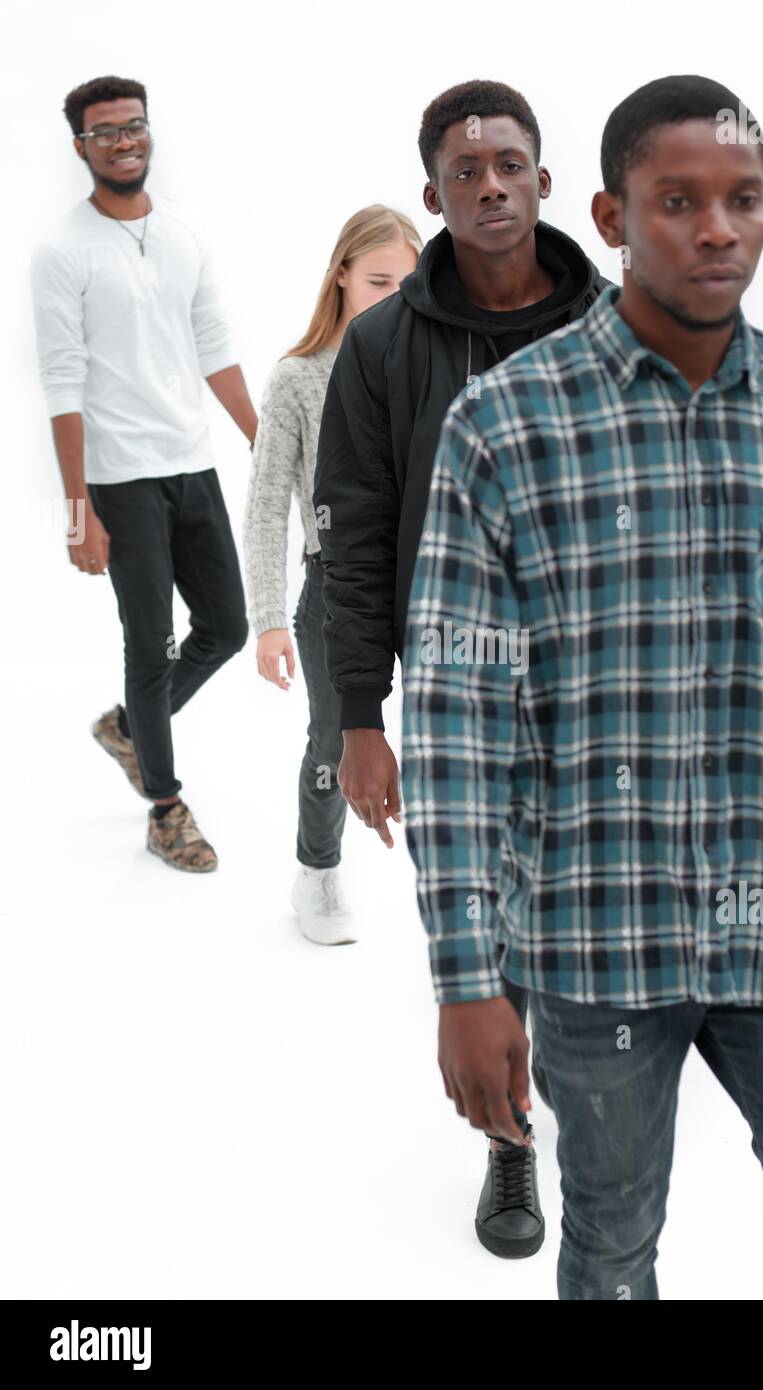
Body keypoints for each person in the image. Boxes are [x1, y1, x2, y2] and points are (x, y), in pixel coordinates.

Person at [400, 74, 763, 1299]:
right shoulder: (502, 423)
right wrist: (466, 974)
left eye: (742, 198)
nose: (717, 228)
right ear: (615, 217)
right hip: (591, 928)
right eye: (677, 200)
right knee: (612, 1246)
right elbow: (456, 716)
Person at [313, 79, 612, 1258]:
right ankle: (511, 1138)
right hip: (455, 694)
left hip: (608, 684)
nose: (489, 185)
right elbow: (351, 527)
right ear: (432, 191)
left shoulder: (619, 320)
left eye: (509, 164)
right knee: (484, 929)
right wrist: (356, 718)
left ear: (541, 179)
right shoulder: (384, 345)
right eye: (463, 169)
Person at [30, 74, 256, 871]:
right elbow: (61, 381)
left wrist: (263, 438)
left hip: (192, 465)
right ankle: (165, 806)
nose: (125, 140)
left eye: (134, 125)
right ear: (81, 147)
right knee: (151, 644)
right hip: (120, 480)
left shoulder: (185, 233)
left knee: (226, 626)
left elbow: (213, 344)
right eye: (106, 131)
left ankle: (129, 727)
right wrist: (76, 508)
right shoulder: (63, 251)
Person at [242, 206, 421, 944]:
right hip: (338, 585)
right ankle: (317, 871)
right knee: (333, 739)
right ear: (341, 276)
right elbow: (263, 506)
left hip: (427, 576)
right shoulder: (298, 377)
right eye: (378, 280)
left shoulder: (425, 362)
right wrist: (270, 619)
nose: (393, 297)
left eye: (408, 283)